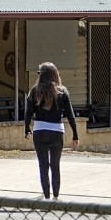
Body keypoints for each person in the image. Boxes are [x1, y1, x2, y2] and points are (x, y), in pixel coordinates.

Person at [24, 62, 80, 199]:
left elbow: (28, 113)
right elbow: (70, 115)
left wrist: (27, 128)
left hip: (40, 130)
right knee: (55, 165)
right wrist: (75, 134)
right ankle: (56, 196)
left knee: (43, 165)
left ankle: (46, 196)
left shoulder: (35, 91)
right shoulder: (62, 91)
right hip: (57, 131)